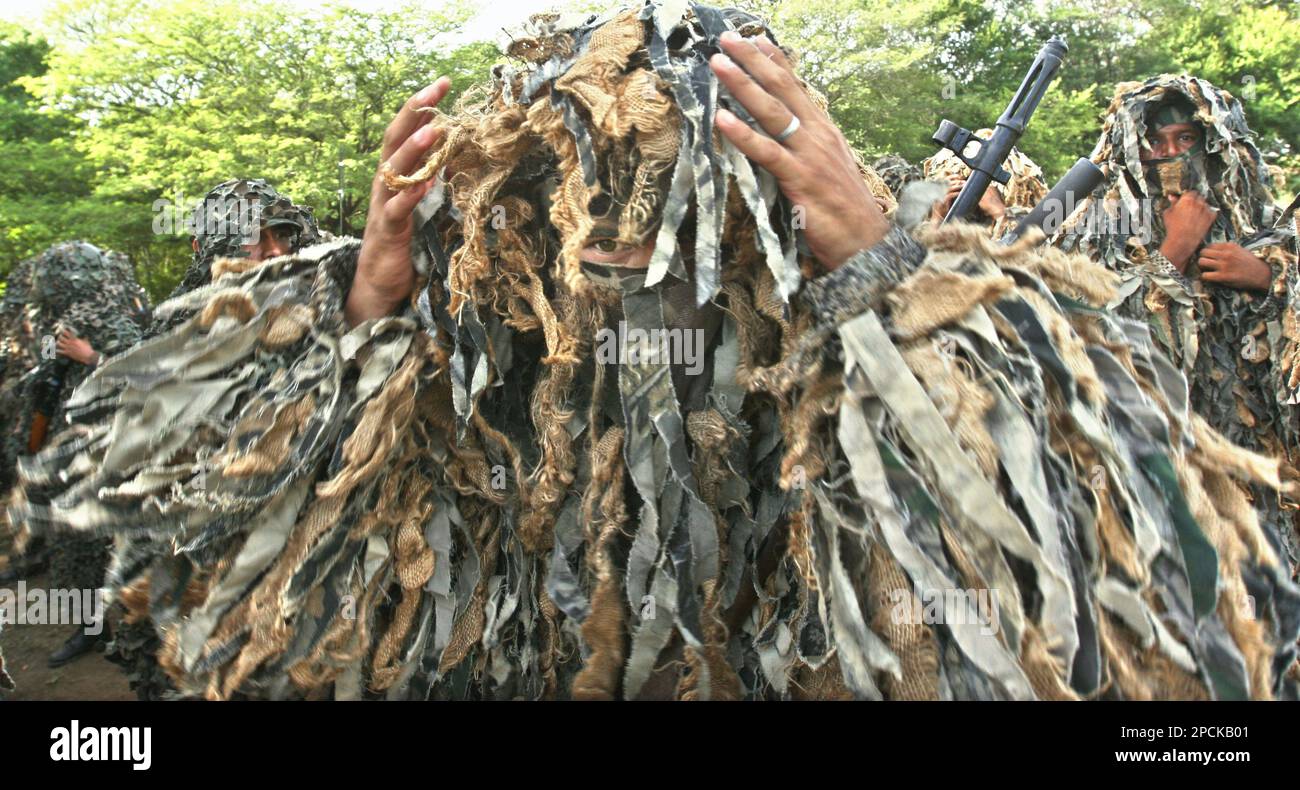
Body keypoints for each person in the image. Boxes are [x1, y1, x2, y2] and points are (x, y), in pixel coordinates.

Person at [11, 4, 1299, 700]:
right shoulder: (486, 336)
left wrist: (888, 274)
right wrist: (370, 311)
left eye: (669, 202)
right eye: (591, 197)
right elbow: (229, 537)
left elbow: (1076, 552)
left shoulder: (818, 328)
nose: (624, 248)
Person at [1055, 76, 1300, 593]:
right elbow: (1090, 343)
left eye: (1185, 139)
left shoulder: (1258, 222)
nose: (1168, 154)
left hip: (1256, 475)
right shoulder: (1095, 230)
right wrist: (1174, 252)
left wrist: (1268, 278)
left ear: (1213, 141)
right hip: (1150, 476)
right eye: (1154, 142)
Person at [4, 241, 147, 668]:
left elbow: (147, 374)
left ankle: (127, 635)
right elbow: (46, 383)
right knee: (75, 547)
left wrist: (93, 357)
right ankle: (92, 630)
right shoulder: (61, 322)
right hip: (70, 449)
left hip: (111, 448)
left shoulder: (118, 317)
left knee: (116, 545)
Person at [923, 128, 1048, 234]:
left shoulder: (1043, 233)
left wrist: (999, 213)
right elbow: (921, 258)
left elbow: (1027, 255)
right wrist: (937, 219)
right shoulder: (919, 227)